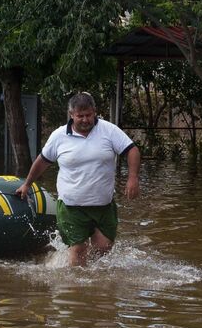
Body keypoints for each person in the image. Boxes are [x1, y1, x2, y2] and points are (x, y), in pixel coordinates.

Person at [15, 92, 140, 266]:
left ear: (94, 112)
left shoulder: (109, 130)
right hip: (71, 207)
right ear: (71, 115)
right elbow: (42, 161)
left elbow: (132, 150)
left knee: (103, 248)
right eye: (80, 116)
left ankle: (88, 274)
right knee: (79, 249)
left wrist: (133, 178)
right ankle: (74, 281)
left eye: (88, 115)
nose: (85, 120)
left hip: (104, 206)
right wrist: (27, 184)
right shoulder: (59, 136)